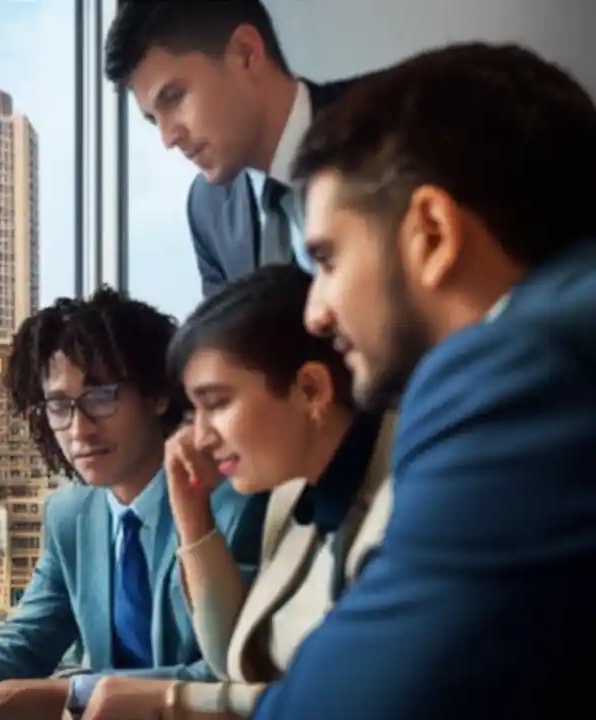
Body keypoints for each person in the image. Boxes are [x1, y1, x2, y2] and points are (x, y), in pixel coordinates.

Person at [248, 42, 596, 718]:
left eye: (326, 258)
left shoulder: (522, 374)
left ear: (432, 233)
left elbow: (342, 704)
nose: (315, 313)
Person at [0, 288, 268, 720]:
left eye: (101, 396)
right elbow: (29, 638)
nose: (79, 429)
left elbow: (236, 673)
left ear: (157, 394)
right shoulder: (70, 513)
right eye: (59, 405)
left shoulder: (235, 503)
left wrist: (72, 692)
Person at [81, 265, 393, 719]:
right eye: (194, 411)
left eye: (218, 403)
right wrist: (190, 510)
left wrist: (173, 702)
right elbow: (235, 659)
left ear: (311, 389)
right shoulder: (291, 494)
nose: (199, 437)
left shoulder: (411, 497)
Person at [104, 0, 365, 296]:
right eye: (153, 119)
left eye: (174, 97)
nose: (168, 138)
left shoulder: (393, 120)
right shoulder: (207, 209)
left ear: (245, 53)